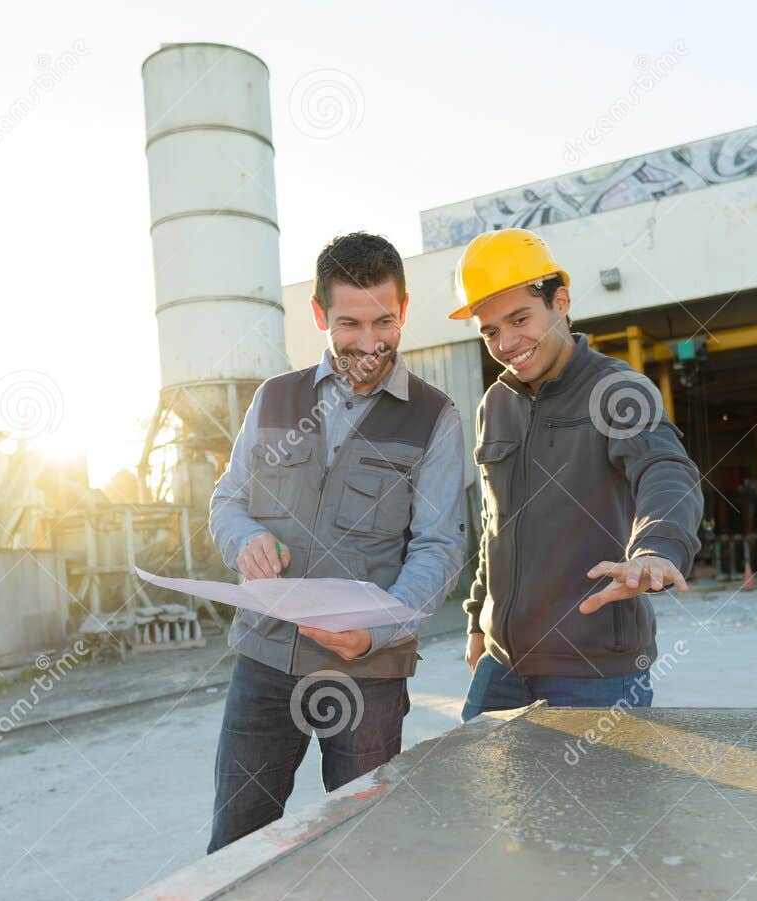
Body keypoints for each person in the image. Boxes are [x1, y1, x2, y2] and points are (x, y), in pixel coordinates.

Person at [206, 232, 465, 851]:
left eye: (385, 321)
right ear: (320, 315)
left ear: (403, 310)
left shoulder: (436, 417)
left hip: (367, 674)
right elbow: (228, 501)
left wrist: (375, 633)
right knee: (237, 846)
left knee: (365, 851)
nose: (371, 343)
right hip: (266, 663)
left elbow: (439, 548)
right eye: (349, 323)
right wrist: (244, 542)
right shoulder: (275, 398)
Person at [451, 228, 702, 721]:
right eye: (490, 331)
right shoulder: (494, 404)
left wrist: (656, 548)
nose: (506, 343)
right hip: (502, 666)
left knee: (600, 800)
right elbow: (493, 525)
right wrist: (477, 622)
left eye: (519, 319)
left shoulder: (616, 389)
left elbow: (666, 468)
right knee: (482, 796)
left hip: (594, 672)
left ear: (560, 302)